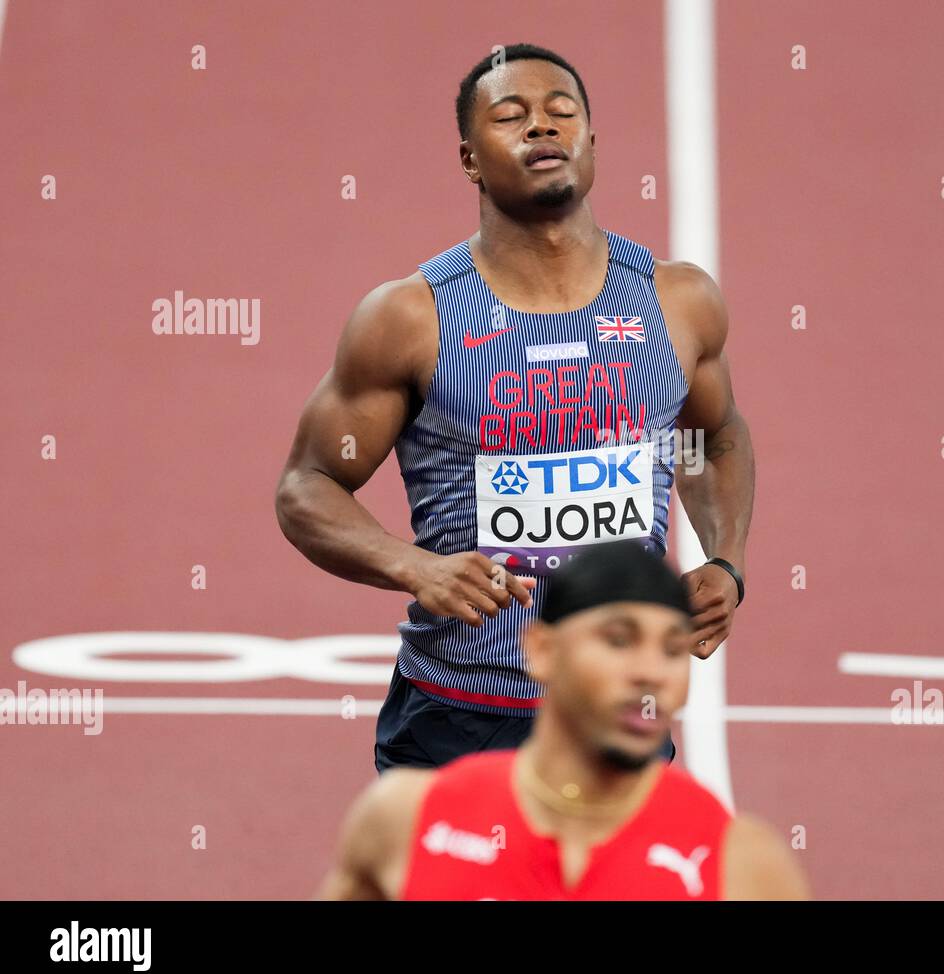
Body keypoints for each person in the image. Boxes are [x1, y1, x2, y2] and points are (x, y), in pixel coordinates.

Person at [275, 43, 754, 772]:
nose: (541, 126)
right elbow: (306, 485)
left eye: (562, 113)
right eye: (511, 116)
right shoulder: (409, 317)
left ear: (591, 142)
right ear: (470, 159)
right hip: (456, 717)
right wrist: (413, 566)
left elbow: (711, 439)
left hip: (618, 713)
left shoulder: (679, 301)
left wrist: (725, 560)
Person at [318, 542, 808, 900]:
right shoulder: (406, 821)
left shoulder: (742, 865)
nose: (651, 673)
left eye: (672, 649)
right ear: (542, 649)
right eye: (618, 640)